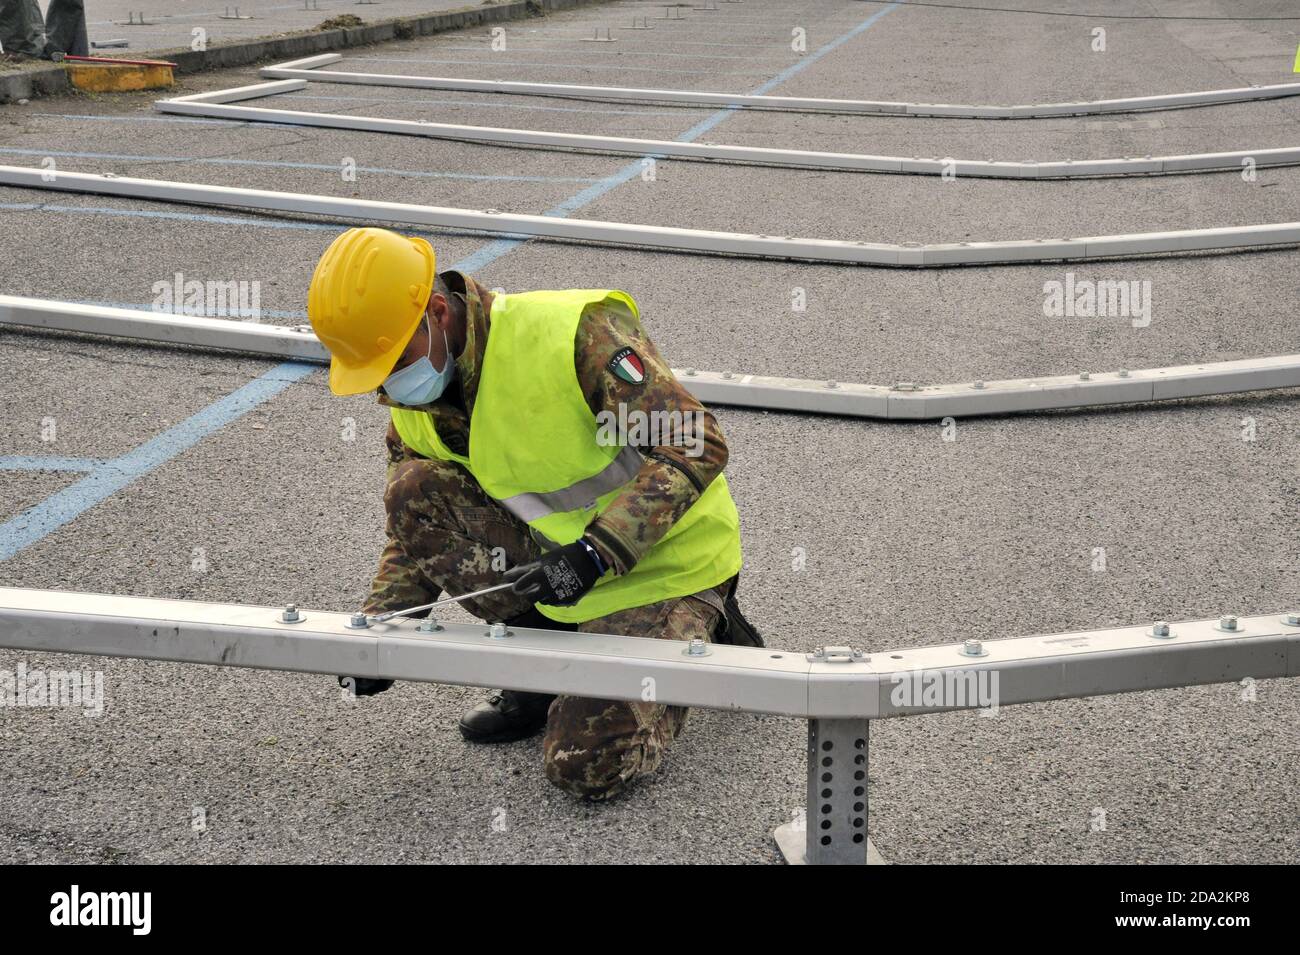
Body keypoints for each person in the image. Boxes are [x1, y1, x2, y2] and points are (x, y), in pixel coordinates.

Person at [306, 227, 762, 801]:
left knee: (585, 766)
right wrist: (380, 629)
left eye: (396, 361)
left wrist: (597, 553)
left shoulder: (571, 336)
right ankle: (540, 666)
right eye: (375, 373)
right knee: (413, 487)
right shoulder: (416, 403)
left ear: (438, 312)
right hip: (557, 573)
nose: (390, 386)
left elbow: (695, 442)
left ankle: (709, 620)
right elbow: (417, 523)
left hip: (667, 567)